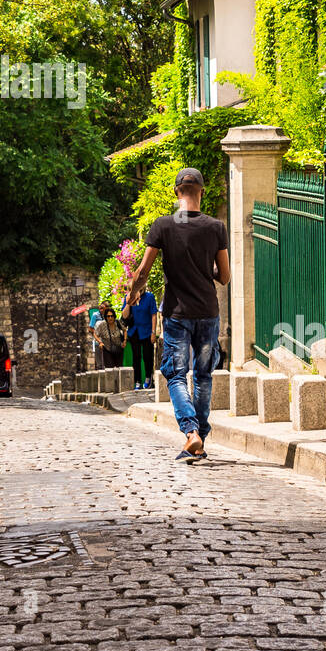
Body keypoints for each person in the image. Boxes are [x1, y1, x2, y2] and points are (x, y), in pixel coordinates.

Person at [126, 168, 230, 462]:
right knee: (204, 375)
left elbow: (144, 270)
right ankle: (201, 439)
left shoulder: (163, 226)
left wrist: (134, 291)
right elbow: (224, 276)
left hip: (176, 312)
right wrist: (203, 271)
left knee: (175, 374)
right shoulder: (216, 227)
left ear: (176, 193)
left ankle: (191, 433)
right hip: (208, 312)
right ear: (202, 192)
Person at [120, 284, 158, 388]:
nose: (138, 289)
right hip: (134, 331)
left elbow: (154, 315)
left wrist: (153, 332)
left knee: (147, 356)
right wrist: (129, 302)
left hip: (147, 330)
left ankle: (148, 378)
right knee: (136, 357)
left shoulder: (149, 297)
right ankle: (137, 381)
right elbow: (124, 315)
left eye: (140, 286)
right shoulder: (128, 298)